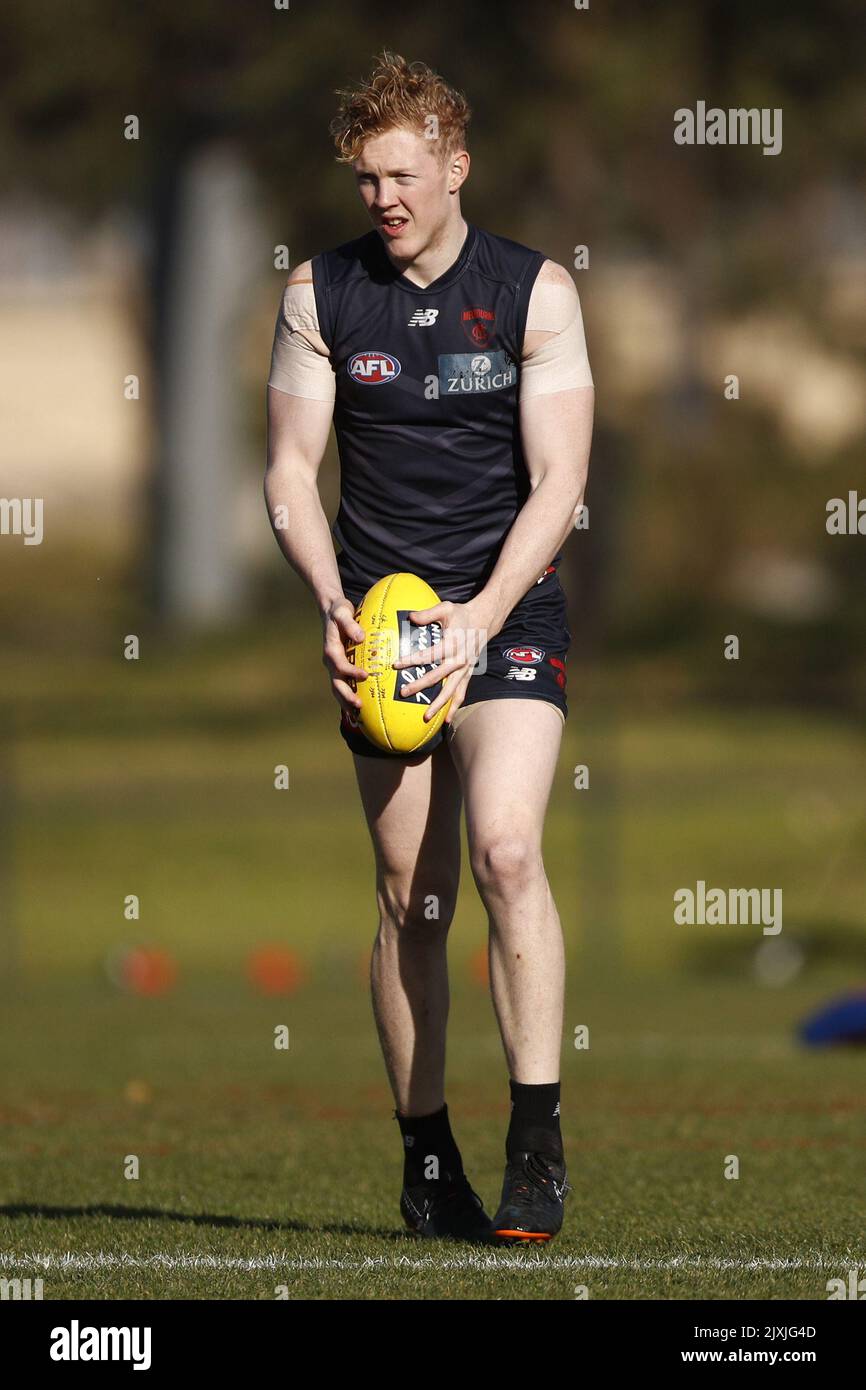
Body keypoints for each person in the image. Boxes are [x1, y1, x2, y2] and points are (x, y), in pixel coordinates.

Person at [265, 50, 594, 1243]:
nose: (382, 198)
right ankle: (424, 1158)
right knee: (414, 895)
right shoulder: (319, 294)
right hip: (382, 630)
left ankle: (537, 1141)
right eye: (366, 178)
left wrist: (482, 615)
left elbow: (560, 480)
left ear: (456, 168)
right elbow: (290, 472)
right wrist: (328, 601)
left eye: (403, 174)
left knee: (505, 853)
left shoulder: (533, 293)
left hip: (503, 612)